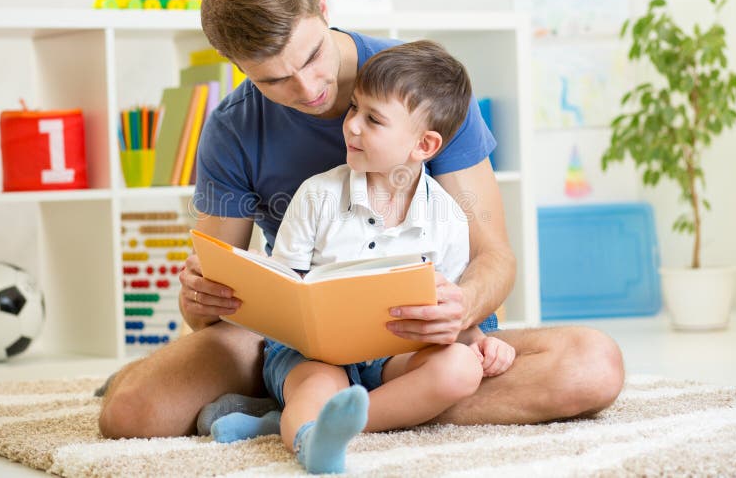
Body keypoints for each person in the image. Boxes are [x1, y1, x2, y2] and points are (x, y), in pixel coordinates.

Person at [97, 0, 624, 440]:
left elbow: (496, 256)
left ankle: (305, 416)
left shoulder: (422, 90)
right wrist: (199, 299)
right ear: (235, 63)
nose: (307, 89)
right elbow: (215, 303)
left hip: (421, 337)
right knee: (131, 413)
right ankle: (335, 401)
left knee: (591, 366)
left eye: (312, 56)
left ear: (323, 7)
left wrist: (459, 310)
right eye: (275, 80)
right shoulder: (234, 128)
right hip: (303, 337)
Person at [208, 40, 516, 474]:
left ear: (424, 145)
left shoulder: (447, 216)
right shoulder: (317, 195)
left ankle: (307, 423)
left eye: (373, 119)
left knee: (461, 371)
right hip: (314, 355)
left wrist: (480, 344)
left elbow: (450, 310)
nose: (351, 126)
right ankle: (312, 441)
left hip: (397, 358)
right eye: (354, 109)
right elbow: (283, 286)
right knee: (318, 384)